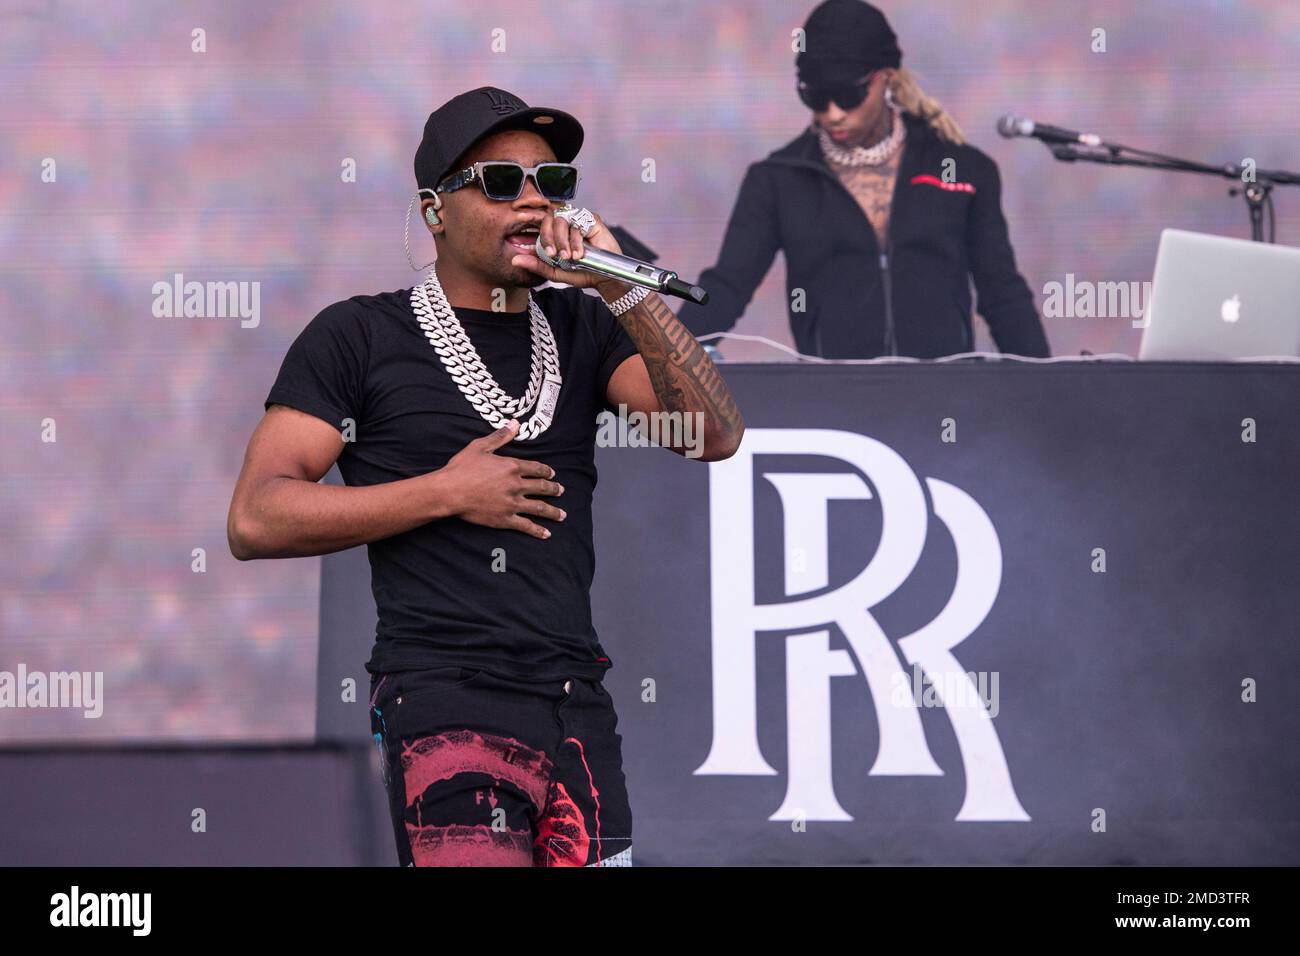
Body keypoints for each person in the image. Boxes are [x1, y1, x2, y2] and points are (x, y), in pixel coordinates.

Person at [226, 86, 744, 866]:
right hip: (443, 701)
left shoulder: (582, 328)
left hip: (575, 702)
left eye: (553, 181)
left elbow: (714, 435)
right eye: (501, 182)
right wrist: (444, 492)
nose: (533, 201)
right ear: (435, 211)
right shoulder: (360, 336)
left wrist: (621, 284)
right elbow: (256, 517)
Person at [676, 0, 1050, 360]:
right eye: (817, 98)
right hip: (833, 404)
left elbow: (1002, 294)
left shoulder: (965, 169)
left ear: (885, 79)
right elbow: (726, 287)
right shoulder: (776, 180)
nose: (833, 114)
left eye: (847, 94)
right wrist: (660, 363)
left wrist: (1048, 390)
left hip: (944, 402)